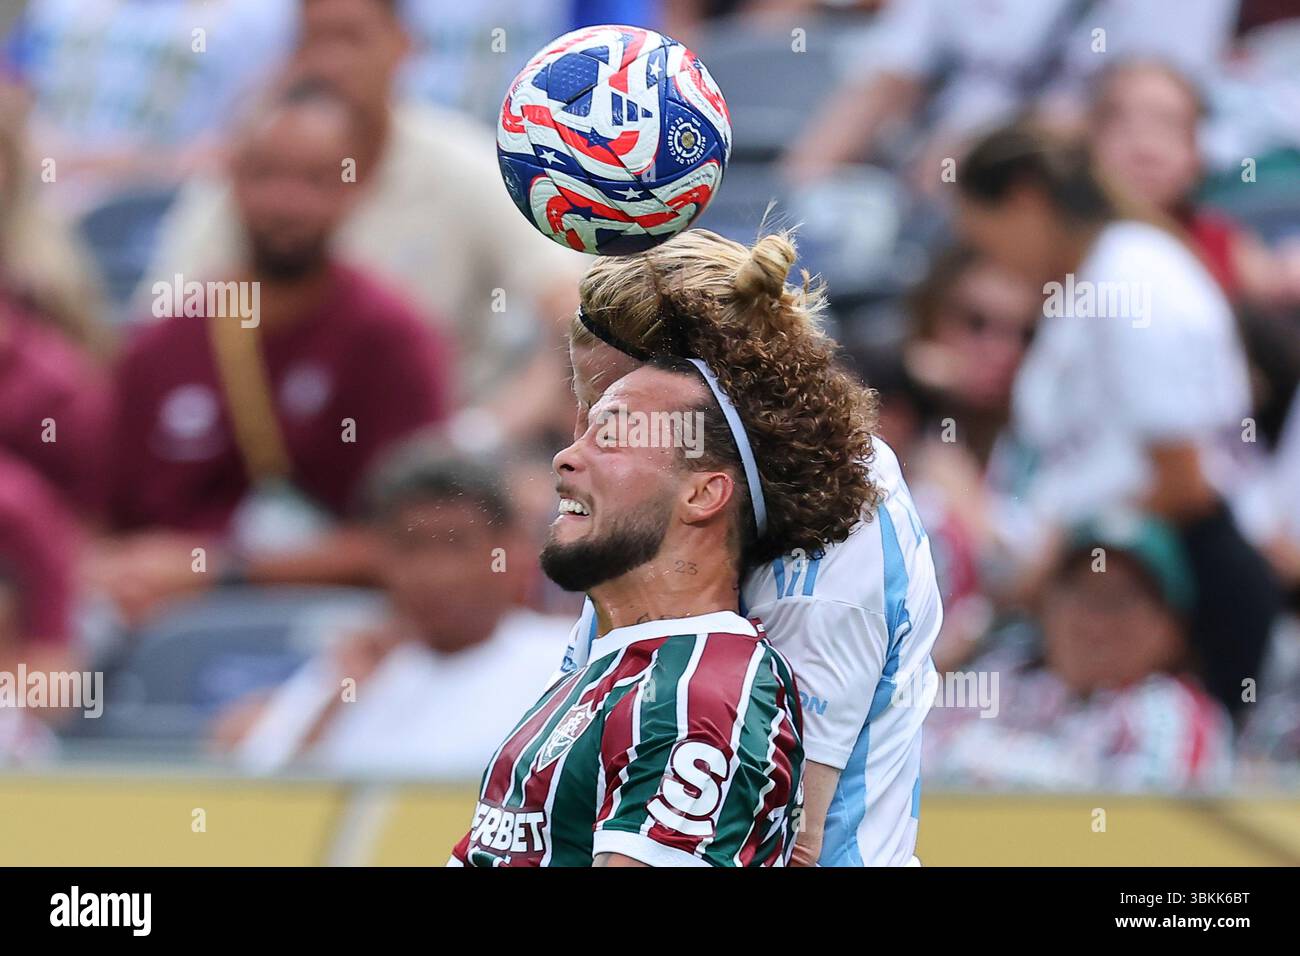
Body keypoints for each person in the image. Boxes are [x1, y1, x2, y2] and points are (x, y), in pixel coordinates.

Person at [450, 238, 881, 866]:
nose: (566, 457)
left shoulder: (703, 693)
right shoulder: (600, 677)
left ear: (705, 493)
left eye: (614, 434)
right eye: (581, 422)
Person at [554, 229, 943, 866]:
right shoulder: (669, 509)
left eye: (610, 412)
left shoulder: (843, 531)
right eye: (582, 405)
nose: (577, 441)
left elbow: (794, 843)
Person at [955, 121, 1281, 717]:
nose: (995, 263)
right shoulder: (1097, 279)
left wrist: (1053, 555)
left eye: (990, 240)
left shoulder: (1132, 278)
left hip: (1179, 586)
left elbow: (1183, 479)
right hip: (1110, 581)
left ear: (1026, 202)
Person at [93, 82, 452, 624]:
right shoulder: (164, 341)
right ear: (230, 179)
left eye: (314, 179)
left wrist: (218, 572)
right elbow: (97, 522)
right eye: (265, 175)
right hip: (154, 626)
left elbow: (420, 538)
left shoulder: (391, 337)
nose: (286, 204)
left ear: (357, 188)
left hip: (333, 630)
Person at [139, 0, 584, 416]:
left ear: (403, 46)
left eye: (351, 39)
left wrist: (490, 434)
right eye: (314, 40)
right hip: (281, 439)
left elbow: (570, 309)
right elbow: (163, 325)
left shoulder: (467, 166)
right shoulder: (250, 167)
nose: (330, 63)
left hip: (442, 451)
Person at [213, 440, 572, 778]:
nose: (435, 573)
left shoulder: (565, 666)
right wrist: (336, 702)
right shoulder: (349, 666)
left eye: (457, 544)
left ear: (510, 548)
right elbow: (267, 801)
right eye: (412, 546)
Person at [922, 513, 1232, 792]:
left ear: (1170, 630)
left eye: (1119, 600)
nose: (1095, 620)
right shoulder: (1007, 677)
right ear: (1047, 606)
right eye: (1080, 593)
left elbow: (1141, 833)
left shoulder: (1177, 713)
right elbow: (908, 764)